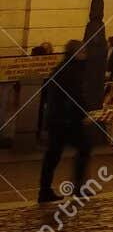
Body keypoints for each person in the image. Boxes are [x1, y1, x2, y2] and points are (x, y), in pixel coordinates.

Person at [37, 40, 94, 203]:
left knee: (53, 155)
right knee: (83, 148)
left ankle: (45, 190)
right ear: (76, 53)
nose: (86, 55)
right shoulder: (71, 70)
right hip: (67, 120)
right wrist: (83, 114)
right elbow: (75, 95)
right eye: (83, 52)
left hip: (58, 118)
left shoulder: (62, 68)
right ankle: (78, 187)